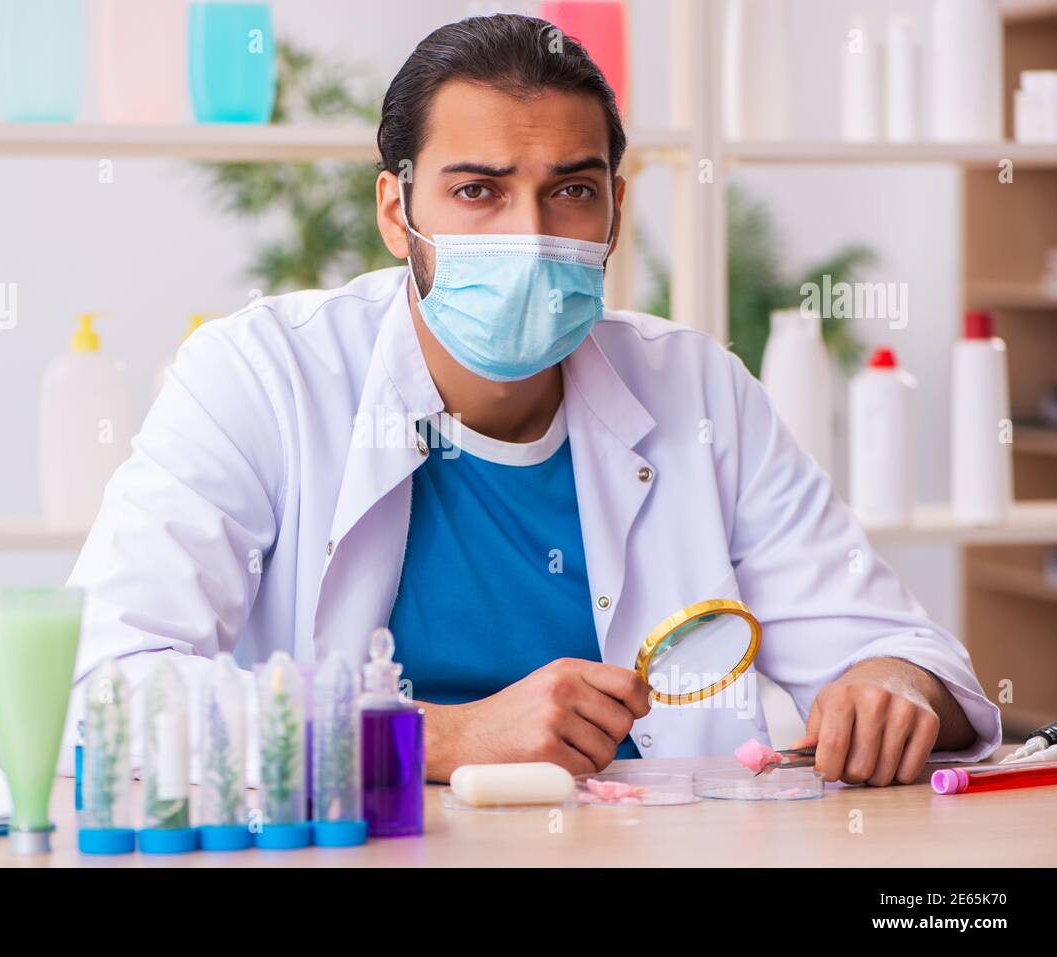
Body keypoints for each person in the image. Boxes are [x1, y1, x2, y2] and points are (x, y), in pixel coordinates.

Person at [64, 14, 1000, 785]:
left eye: (571, 192)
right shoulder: (261, 374)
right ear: (398, 212)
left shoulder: (696, 387)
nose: (530, 234)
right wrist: (447, 738)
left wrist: (893, 686)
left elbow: (906, 655)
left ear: (615, 213)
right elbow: (106, 688)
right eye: (478, 190)